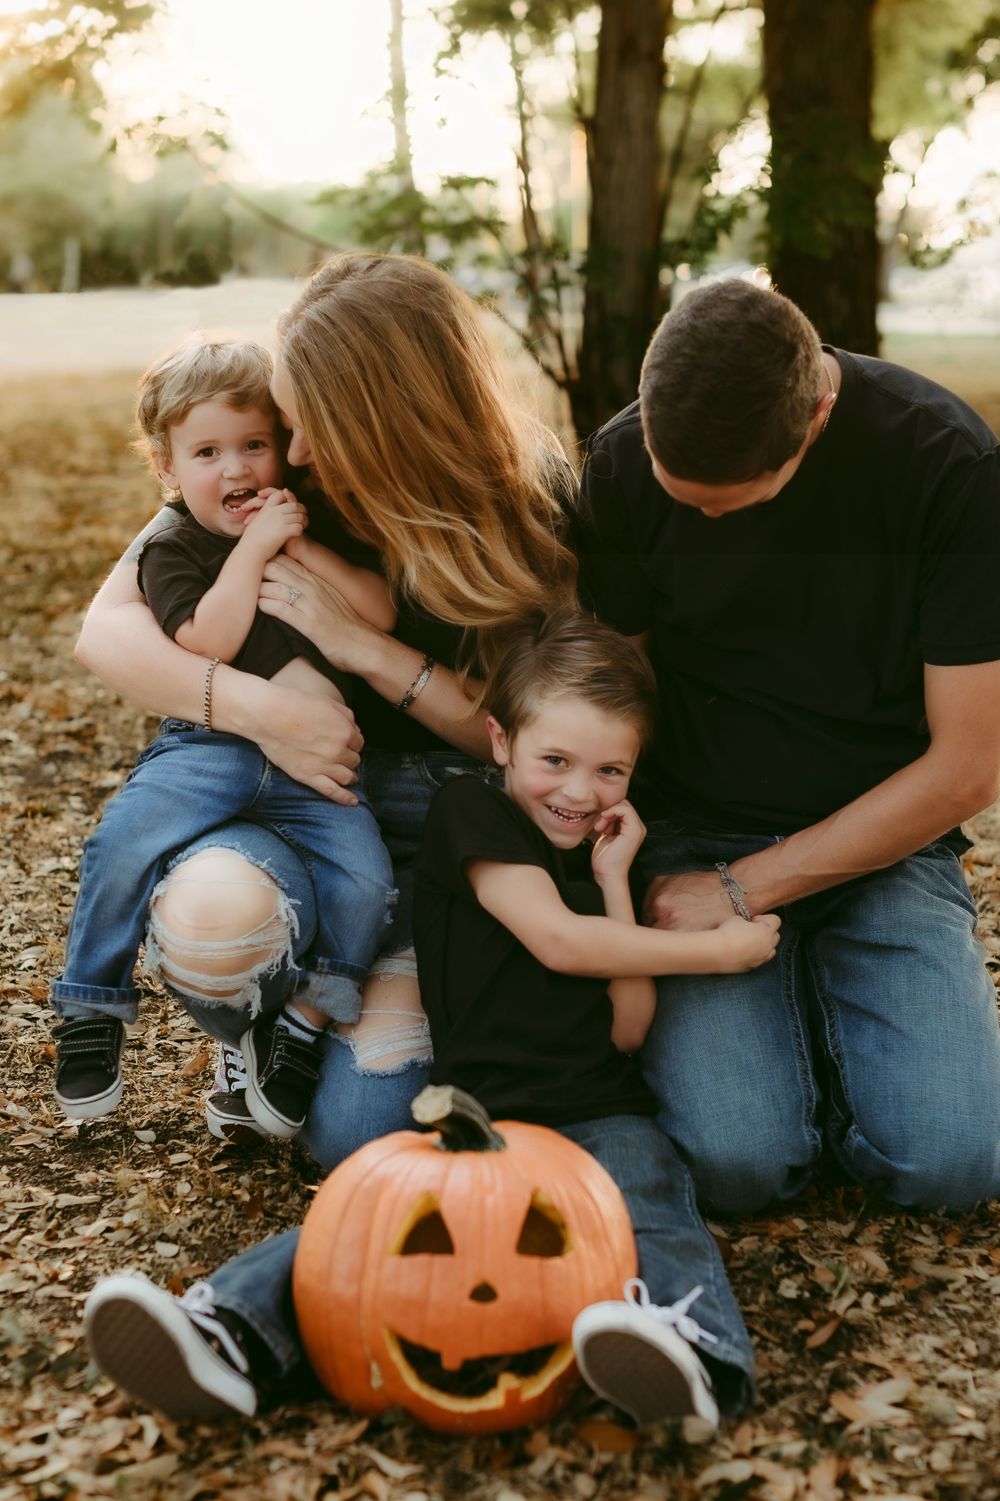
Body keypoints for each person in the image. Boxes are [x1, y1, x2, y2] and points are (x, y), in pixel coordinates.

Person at [82, 612, 780, 1429]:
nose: (580, 791)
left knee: (652, 1200)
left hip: (602, 1112)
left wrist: (617, 877)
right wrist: (721, 952)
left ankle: (694, 1352)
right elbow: (557, 942)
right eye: (555, 760)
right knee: (367, 1223)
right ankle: (228, 1331)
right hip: (478, 1111)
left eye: (610, 769)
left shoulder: (598, 862)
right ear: (501, 741)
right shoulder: (472, 817)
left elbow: (628, 1026)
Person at [70, 252, 577, 1167]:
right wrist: (266, 711)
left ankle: (339, 1004)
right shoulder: (276, 492)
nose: (290, 455)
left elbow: (533, 743)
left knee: (358, 1130)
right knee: (210, 918)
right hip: (301, 792)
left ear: (386, 415)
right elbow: (105, 633)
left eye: (306, 428)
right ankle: (252, 1024)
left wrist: (365, 652)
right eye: (284, 428)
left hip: (450, 820)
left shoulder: (534, 503)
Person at [571, 275, 1000, 1216]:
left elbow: (969, 765)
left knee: (952, 1164)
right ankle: (786, 1044)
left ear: (817, 416)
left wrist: (747, 889)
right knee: (736, 1165)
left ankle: (820, 1015)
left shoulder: (947, 465)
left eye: (727, 505)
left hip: (884, 837)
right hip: (693, 828)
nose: (703, 523)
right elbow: (619, 698)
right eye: (679, 496)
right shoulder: (617, 465)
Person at [49, 338, 396, 1141]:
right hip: (210, 750)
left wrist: (297, 542)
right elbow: (208, 637)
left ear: (285, 451)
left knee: (368, 879)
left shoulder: (308, 525)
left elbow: (376, 614)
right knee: (120, 842)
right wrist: (254, 548)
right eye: (207, 452)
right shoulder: (174, 547)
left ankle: (308, 1021)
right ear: (168, 468)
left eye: (254, 446)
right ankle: (92, 1007)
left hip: (319, 767)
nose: (236, 469)